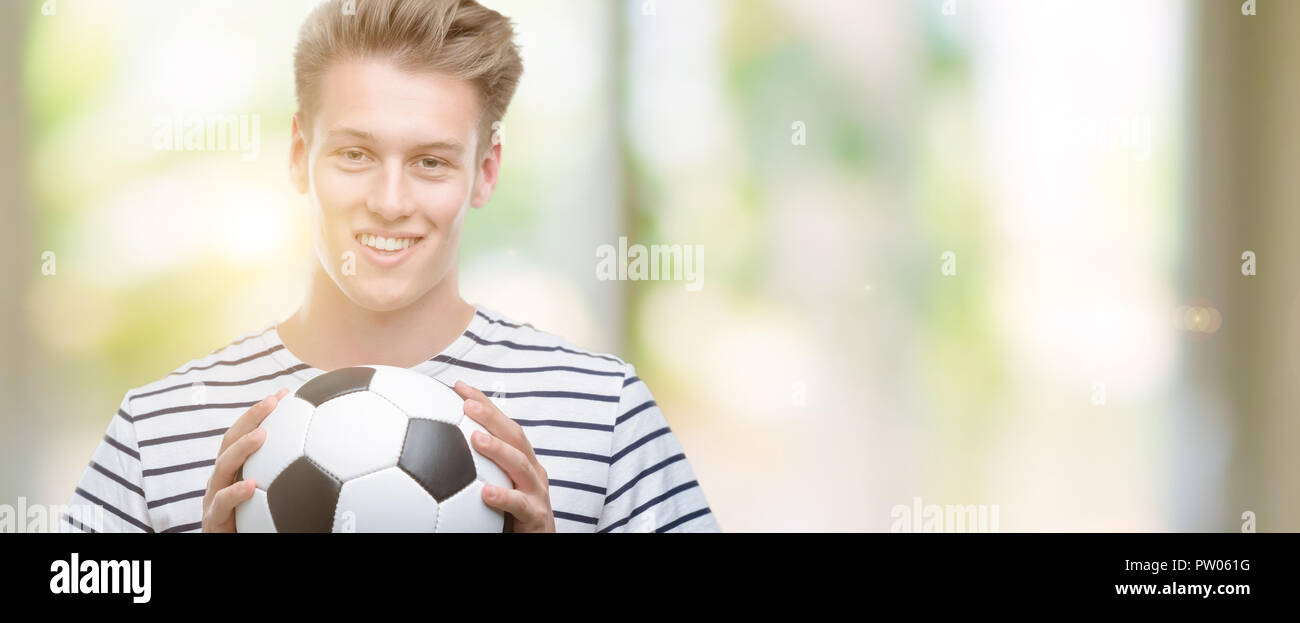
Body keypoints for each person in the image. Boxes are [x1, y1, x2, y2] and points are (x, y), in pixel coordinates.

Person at [64, 0, 719, 533]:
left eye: (431, 161)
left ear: (484, 171)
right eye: (355, 154)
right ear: (300, 154)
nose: (390, 200)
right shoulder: (160, 427)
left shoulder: (603, 414)